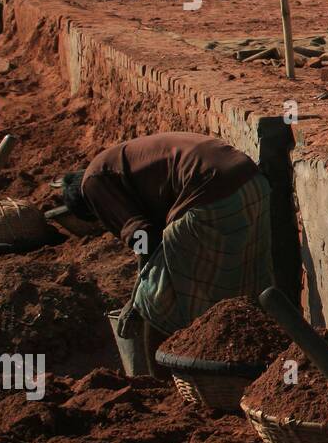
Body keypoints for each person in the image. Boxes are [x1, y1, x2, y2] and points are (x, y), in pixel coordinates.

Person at [59, 133, 274, 375]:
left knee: (157, 299)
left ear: (90, 209)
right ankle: (254, 367)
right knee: (243, 289)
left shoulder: (93, 185)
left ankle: (157, 378)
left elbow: (143, 238)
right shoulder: (117, 161)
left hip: (214, 196)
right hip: (253, 183)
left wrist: (138, 293)